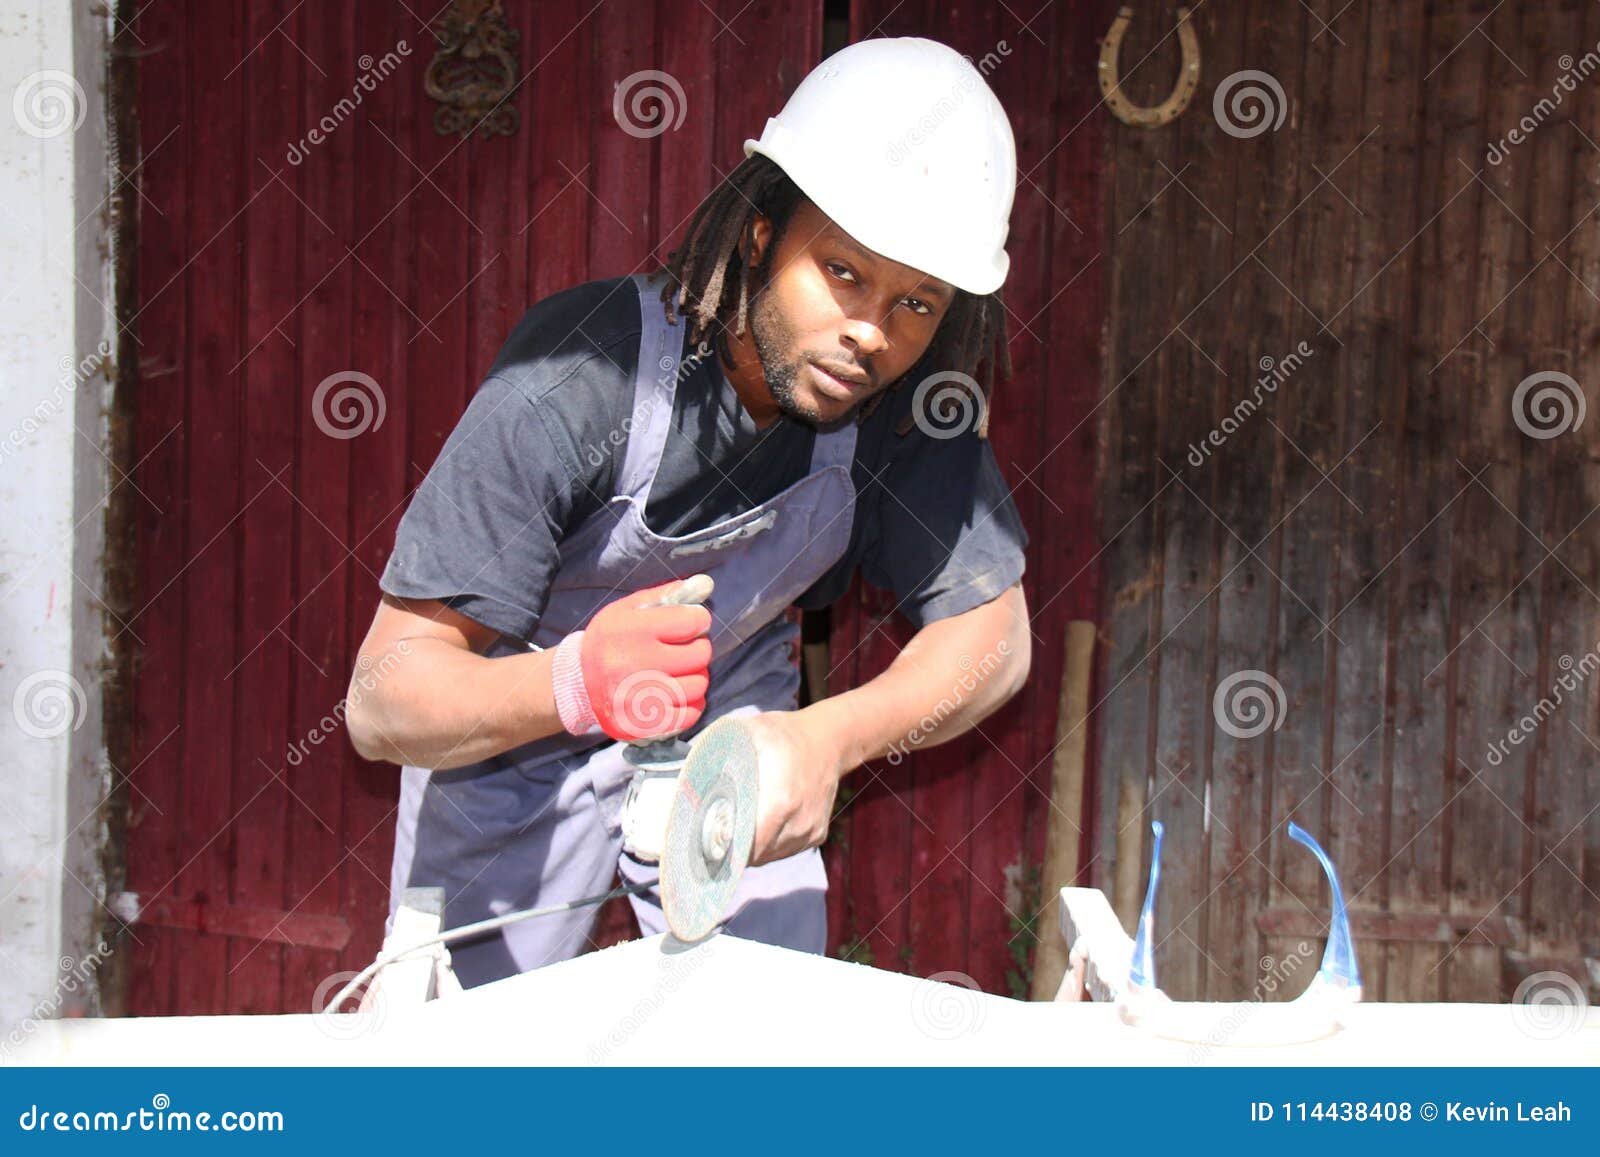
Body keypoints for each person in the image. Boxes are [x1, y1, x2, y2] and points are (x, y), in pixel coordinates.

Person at [347, 36, 1032, 987]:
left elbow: (997, 636)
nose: (872, 332)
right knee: (473, 1063)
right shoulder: (576, 379)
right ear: (761, 233)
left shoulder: (901, 410)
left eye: (916, 302)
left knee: (754, 1049)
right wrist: (576, 684)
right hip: (505, 748)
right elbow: (382, 701)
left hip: (729, 740)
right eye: (842, 272)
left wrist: (823, 739)